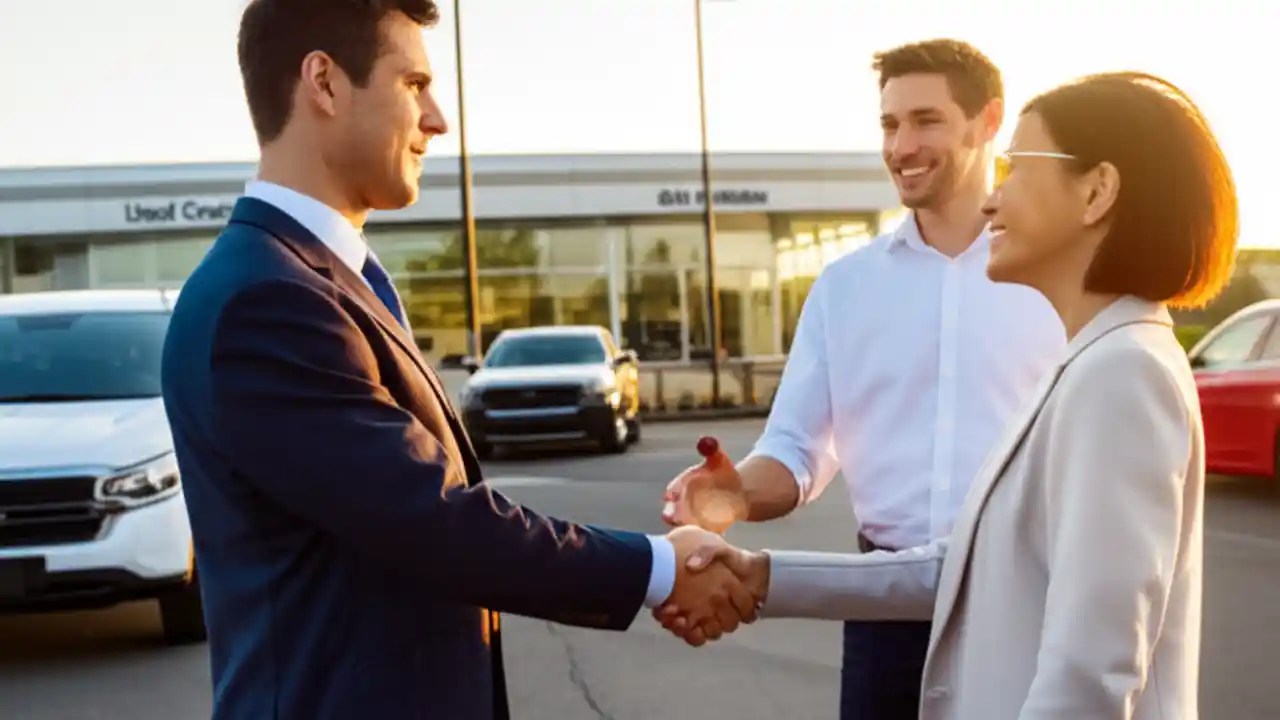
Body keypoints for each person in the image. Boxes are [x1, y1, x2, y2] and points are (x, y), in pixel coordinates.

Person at [159, 2, 759, 718]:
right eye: (413, 84)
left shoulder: (313, 281)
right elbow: (434, 522)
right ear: (323, 82)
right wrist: (662, 567)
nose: (438, 119)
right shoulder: (266, 301)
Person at [666, 70, 1238, 719]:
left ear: (1097, 191)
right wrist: (758, 573)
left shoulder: (1120, 374)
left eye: (1017, 167)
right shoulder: (1092, 361)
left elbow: (1090, 676)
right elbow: (967, 566)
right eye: (889, 124)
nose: (995, 200)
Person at [660, 39, 1064, 717]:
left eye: (926, 120)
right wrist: (732, 492)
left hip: (1025, 601)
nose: (902, 145)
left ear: (989, 120)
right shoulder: (844, 288)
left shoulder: (1054, 279)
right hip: (884, 614)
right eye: (889, 124)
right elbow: (795, 450)